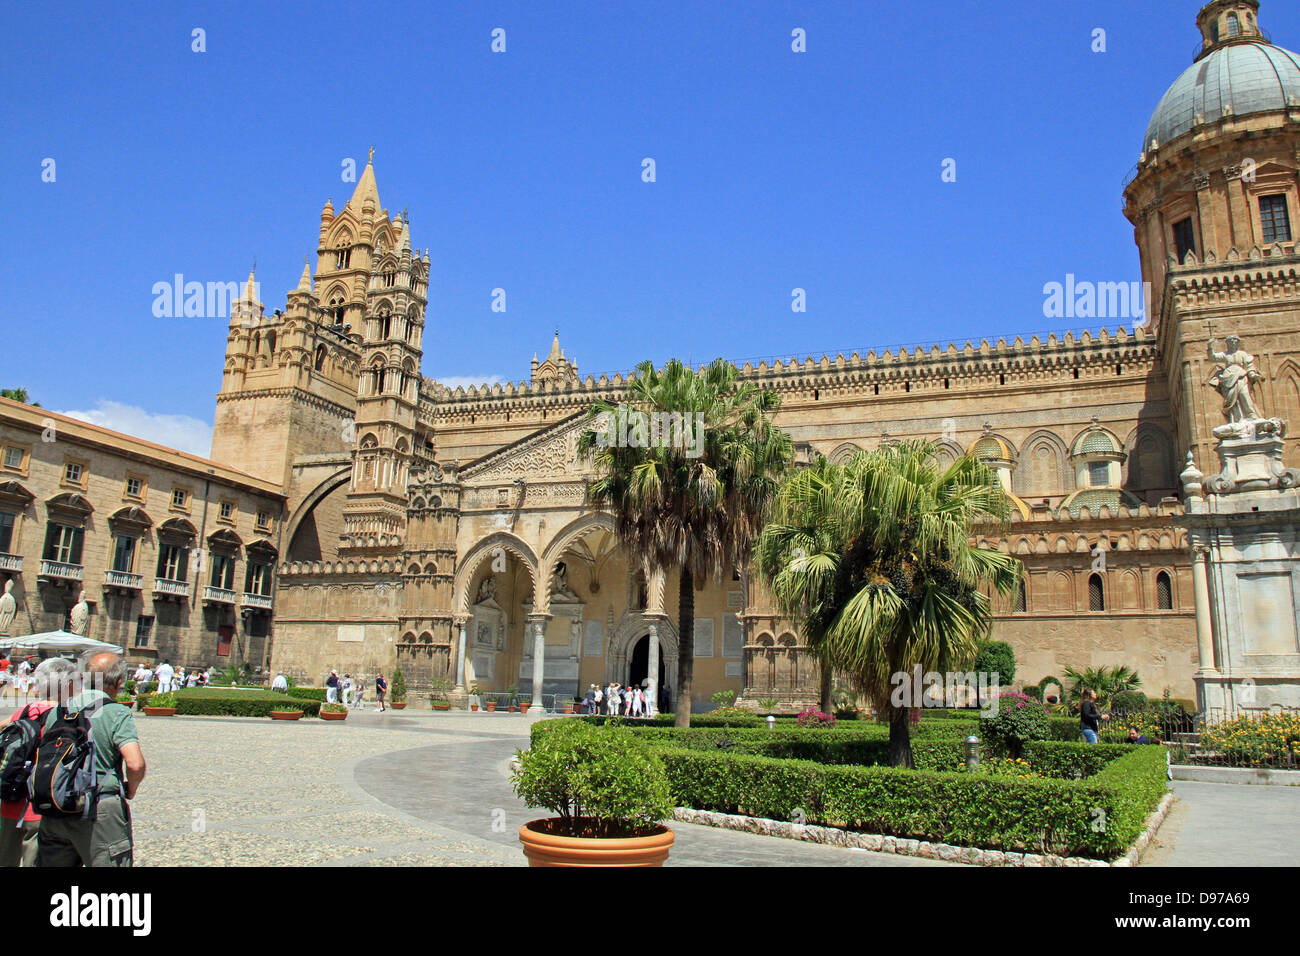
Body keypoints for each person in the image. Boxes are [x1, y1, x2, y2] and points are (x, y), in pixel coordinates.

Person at [36, 652, 147, 867]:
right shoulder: (115, 712)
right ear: (119, 682)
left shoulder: (59, 710)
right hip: (98, 807)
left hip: (56, 804)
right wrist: (130, 789)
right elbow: (135, 763)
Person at [0, 658, 78, 867]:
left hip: (11, 798)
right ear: (67, 684)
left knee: (5, 859)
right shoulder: (66, 716)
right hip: (41, 803)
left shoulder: (26, 711)